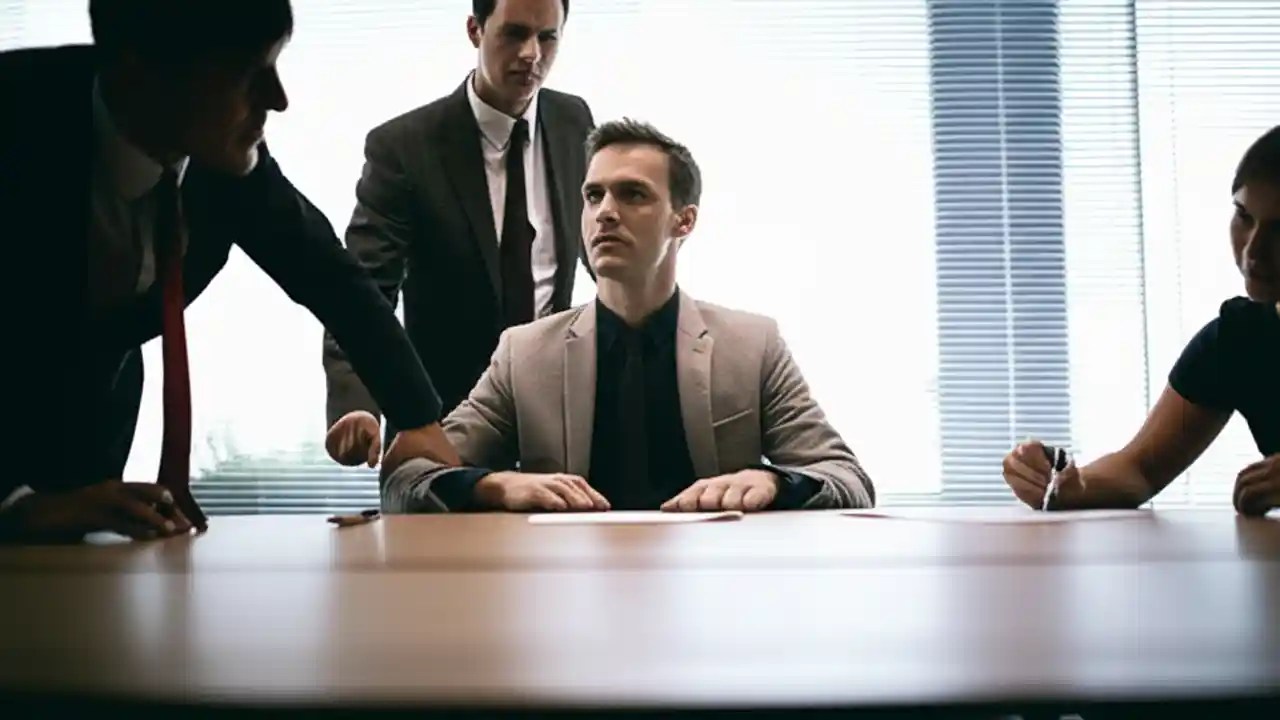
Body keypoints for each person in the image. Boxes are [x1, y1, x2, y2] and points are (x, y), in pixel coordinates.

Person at [0, 0, 459, 544]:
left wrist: (416, 419)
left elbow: (336, 280)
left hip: (91, 442)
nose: (279, 100)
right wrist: (17, 504)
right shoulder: (16, 118)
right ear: (140, 73)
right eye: (249, 74)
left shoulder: (225, 162)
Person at [381, 119, 876, 513]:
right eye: (593, 195)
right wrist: (496, 487)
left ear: (684, 221)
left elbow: (848, 480)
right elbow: (407, 479)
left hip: (717, 599)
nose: (606, 212)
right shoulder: (525, 353)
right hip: (564, 601)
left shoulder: (753, 345)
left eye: (632, 194)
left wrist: (771, 480)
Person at [323, 0, 595, 469]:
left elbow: (604, 253)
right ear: (475, 30)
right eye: (514, 34)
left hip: (556, 431)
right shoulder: (405, 147)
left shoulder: (573, 123)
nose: (532, 54)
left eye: (547, 38)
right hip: (443, 431)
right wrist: (357, 404)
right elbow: (363, 290)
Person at [1003, 125, 1280, 516]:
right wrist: (1070, 484)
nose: (1254, 250)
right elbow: (1140, 468)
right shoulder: (1239, 340)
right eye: (1244, 215)